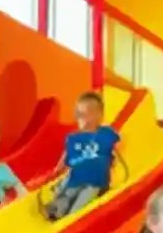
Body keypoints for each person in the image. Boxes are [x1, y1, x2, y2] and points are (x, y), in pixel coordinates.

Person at [43, 91, 128, 221]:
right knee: (68, 189)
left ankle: (72, 215)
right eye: (80, 114)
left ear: (99, 116)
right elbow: (66, 154)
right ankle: (57, 210)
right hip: (77, 175)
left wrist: (114, 154)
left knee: (86, 195)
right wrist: (57, 168)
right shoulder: (75, 138)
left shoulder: (106, 133)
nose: (83, 119)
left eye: (87, 114)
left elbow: (119, 144)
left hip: (96, 181)